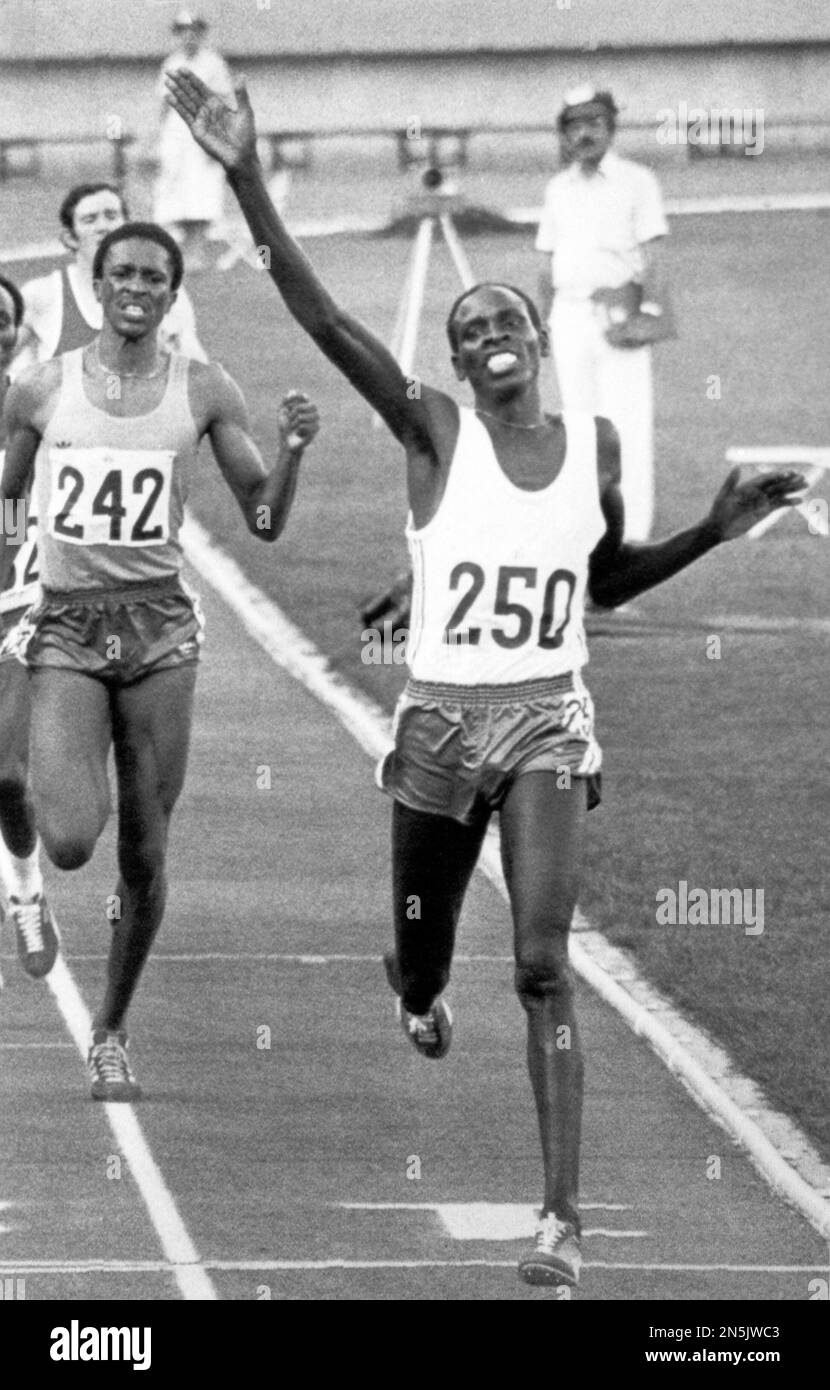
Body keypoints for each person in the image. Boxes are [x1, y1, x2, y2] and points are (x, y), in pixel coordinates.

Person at [164, 69, 804, 1287]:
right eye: (468, 333)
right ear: (454, 367)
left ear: (532, 339)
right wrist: (244, 171)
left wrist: (714, 530)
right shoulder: (431, 436)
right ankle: (412, 987)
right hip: (437, 731)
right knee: (424, 956)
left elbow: (599, 585)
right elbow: (318, 314)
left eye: (503, 320)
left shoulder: (590, 450)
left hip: (547, 724)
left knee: (539, 960)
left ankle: (557, 1218)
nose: (489, 336)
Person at [0, 221, 319, 1100]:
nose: (136, 287)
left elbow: (263, 518)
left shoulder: (207, 390)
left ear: (172, 293)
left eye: (153, 276)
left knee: (144, 852)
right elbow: (6, 493)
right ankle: (68, 791)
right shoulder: (39, 389)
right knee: (69, 840)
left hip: (160, 635)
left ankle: (110, 1028)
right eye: (121, 273)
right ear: (96, 284)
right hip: (66, 624)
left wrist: (290, 456)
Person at [536, 86, 671, 542]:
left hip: (619, 312)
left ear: (611, 128)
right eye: (574, 125)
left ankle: (631, 530)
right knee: (577, 424)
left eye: (594, 123)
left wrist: (647, 316)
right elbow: (546, 259)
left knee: (625, 423)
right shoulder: (557, 188)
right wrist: (541, 323)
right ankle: (586, 524)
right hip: (569, 315)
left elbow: (654, 255)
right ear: (565, 135)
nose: (585, 133)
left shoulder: (639, 181)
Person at [0, 273, 59, 982]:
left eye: (4, 320)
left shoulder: (41, 407)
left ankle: (26, 889)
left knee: (9, 777)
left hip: (19, 612)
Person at [15, 181, 206, 371]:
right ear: (70, 238)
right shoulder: (44, 295)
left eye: (111, 216)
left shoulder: (163, 291)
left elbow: (201, 373)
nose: (103, 227)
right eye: (90, 220)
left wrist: (176, 342)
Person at [155, 11, 234, 270]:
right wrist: (155, 141)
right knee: (175, 195)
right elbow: (164, 104)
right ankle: (180, 254)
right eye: (183, 33)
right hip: (176, 135)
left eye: (194, 33)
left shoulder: (213, 64)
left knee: (202, 194)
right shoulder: (171, 63)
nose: (189, 38)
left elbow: (222, 102)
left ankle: (197, 253)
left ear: (201, 35)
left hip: (203, 133)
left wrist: (218, 141)